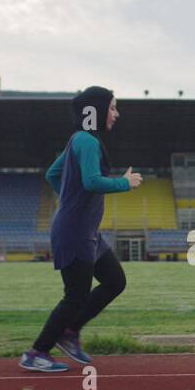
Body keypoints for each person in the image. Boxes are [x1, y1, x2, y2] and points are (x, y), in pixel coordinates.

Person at [21, 86, 143, 373]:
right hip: (75, 232)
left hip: (87, 232)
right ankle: (37, 352)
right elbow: (92, 181)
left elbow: (53, 174)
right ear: (97, 110)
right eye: (112, 107)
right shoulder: (86, 141)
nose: (116, 113)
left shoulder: (78, 140)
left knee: (115, 281)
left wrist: (70, 198)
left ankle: (69, 332)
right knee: (75, 296)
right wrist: (125, 183)